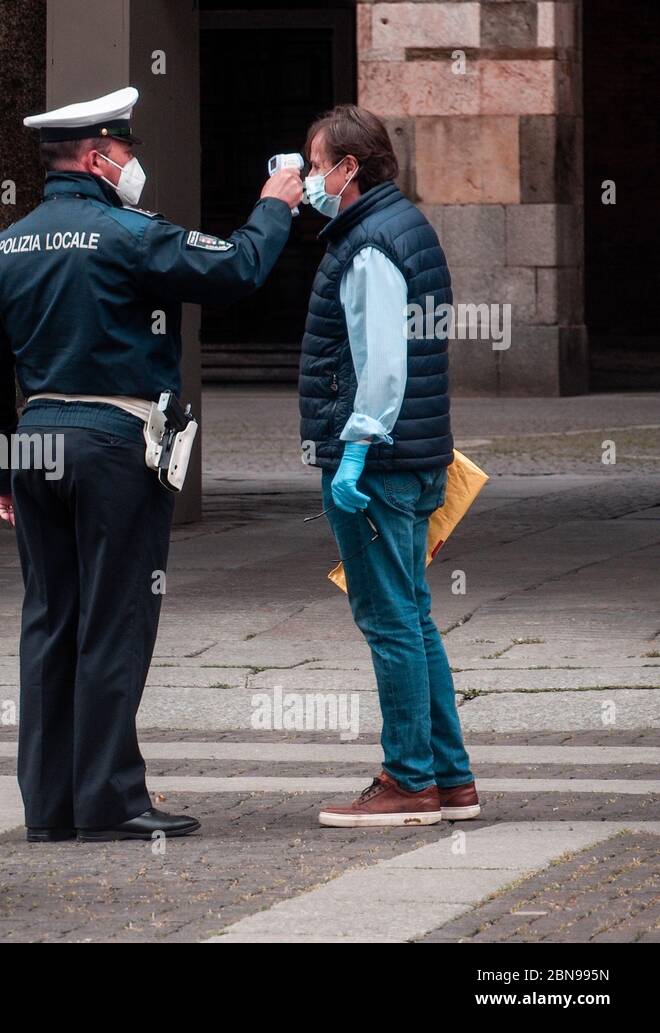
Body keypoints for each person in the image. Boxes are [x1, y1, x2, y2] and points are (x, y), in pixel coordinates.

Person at [0, 86, 302, 841]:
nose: (134, 163)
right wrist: (274, 203)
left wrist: (0, 475)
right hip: (113, 445)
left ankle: (49, 807)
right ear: (95, 159)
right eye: (127, 152)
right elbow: (235, 270)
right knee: (114, 620)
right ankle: (111, 800)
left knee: (50, 620)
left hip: (35, 442)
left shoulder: (6, 247)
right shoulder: (127, 234)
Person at [296, 103, 480, 827]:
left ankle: (409, 780)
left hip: (378, 461)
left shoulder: (368, 243)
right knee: (414, 615)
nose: (310, 178)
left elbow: (382, 366)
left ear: (350, 168)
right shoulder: (401, 224)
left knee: (390, 618)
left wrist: (355, 450)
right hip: (410, 455)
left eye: (316, 166)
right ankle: (450, 776)